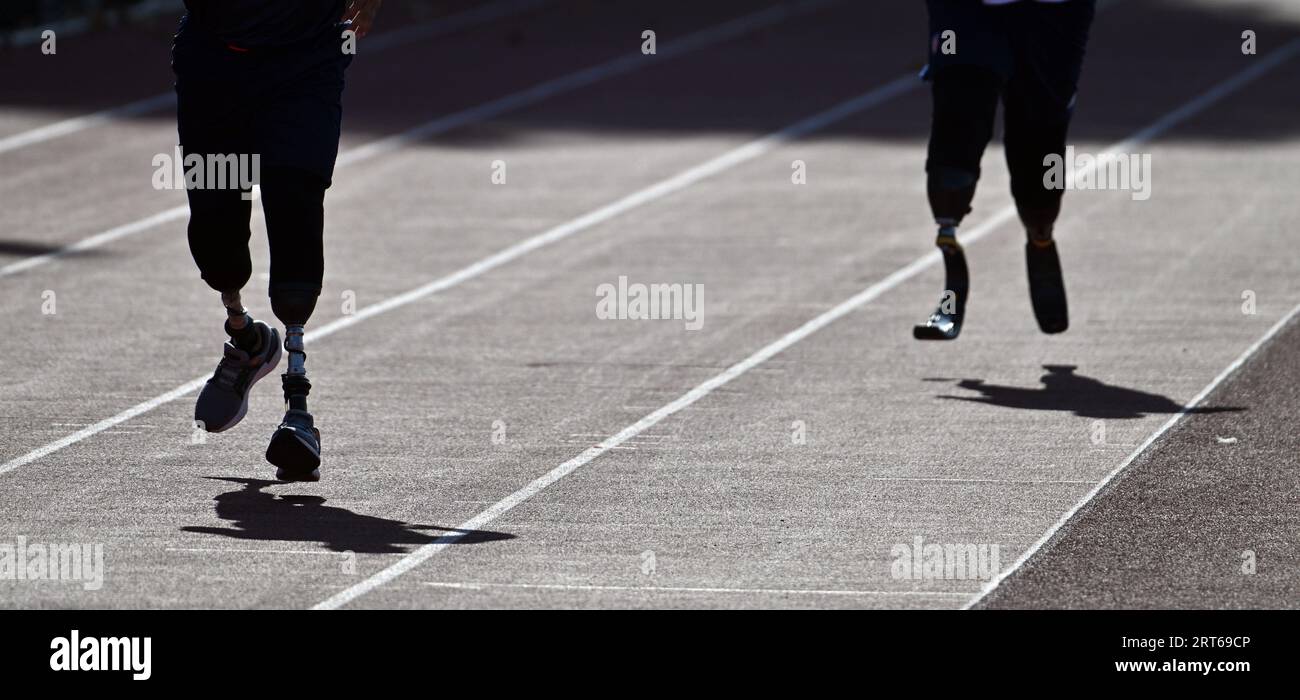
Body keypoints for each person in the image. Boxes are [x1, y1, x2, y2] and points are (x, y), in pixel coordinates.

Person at [176, 0, 383, 480]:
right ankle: (247, 340)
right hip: (215, 63)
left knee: (295, 202)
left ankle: (298, 409)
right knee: (216, 241)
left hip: (304, 62)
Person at [913, 0, 1096, 340]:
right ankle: (948, 241)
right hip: (967, 12)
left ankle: (1040, 235)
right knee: (957, 124)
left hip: (1053, 13)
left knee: (1039, 157)